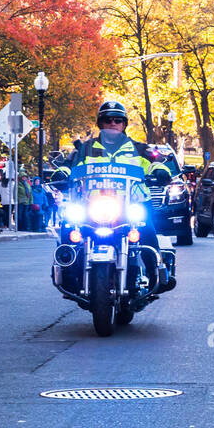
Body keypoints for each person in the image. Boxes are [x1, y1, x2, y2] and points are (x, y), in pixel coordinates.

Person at [59, 101, 176, 290]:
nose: (112, 124)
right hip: (92, 203)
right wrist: (62, 173)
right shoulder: (85, 149)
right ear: (100, 124)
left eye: (117, 120)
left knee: (147, 232)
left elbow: (157, 163)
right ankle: (67, 273)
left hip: (131, 203)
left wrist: (161, 171)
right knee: (69, 228)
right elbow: (68, 165)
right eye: (107, 120)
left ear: (124, 124)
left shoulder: (138, 149)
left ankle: (157, 273)